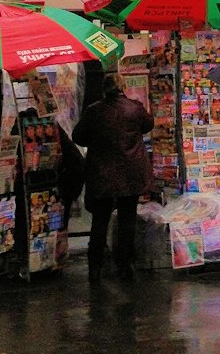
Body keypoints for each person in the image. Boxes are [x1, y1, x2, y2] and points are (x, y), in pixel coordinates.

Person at [74, 71, 153, 285]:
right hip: (130, 174)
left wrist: (96, 140)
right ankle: (125, 267)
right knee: (128, 221)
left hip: (103, 174)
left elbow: (78, 136)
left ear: (104, 89)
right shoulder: (135, 108)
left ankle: (95, 269)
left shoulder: (94, 111)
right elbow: (148, 125)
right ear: (123, 88)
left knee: (100, 221)